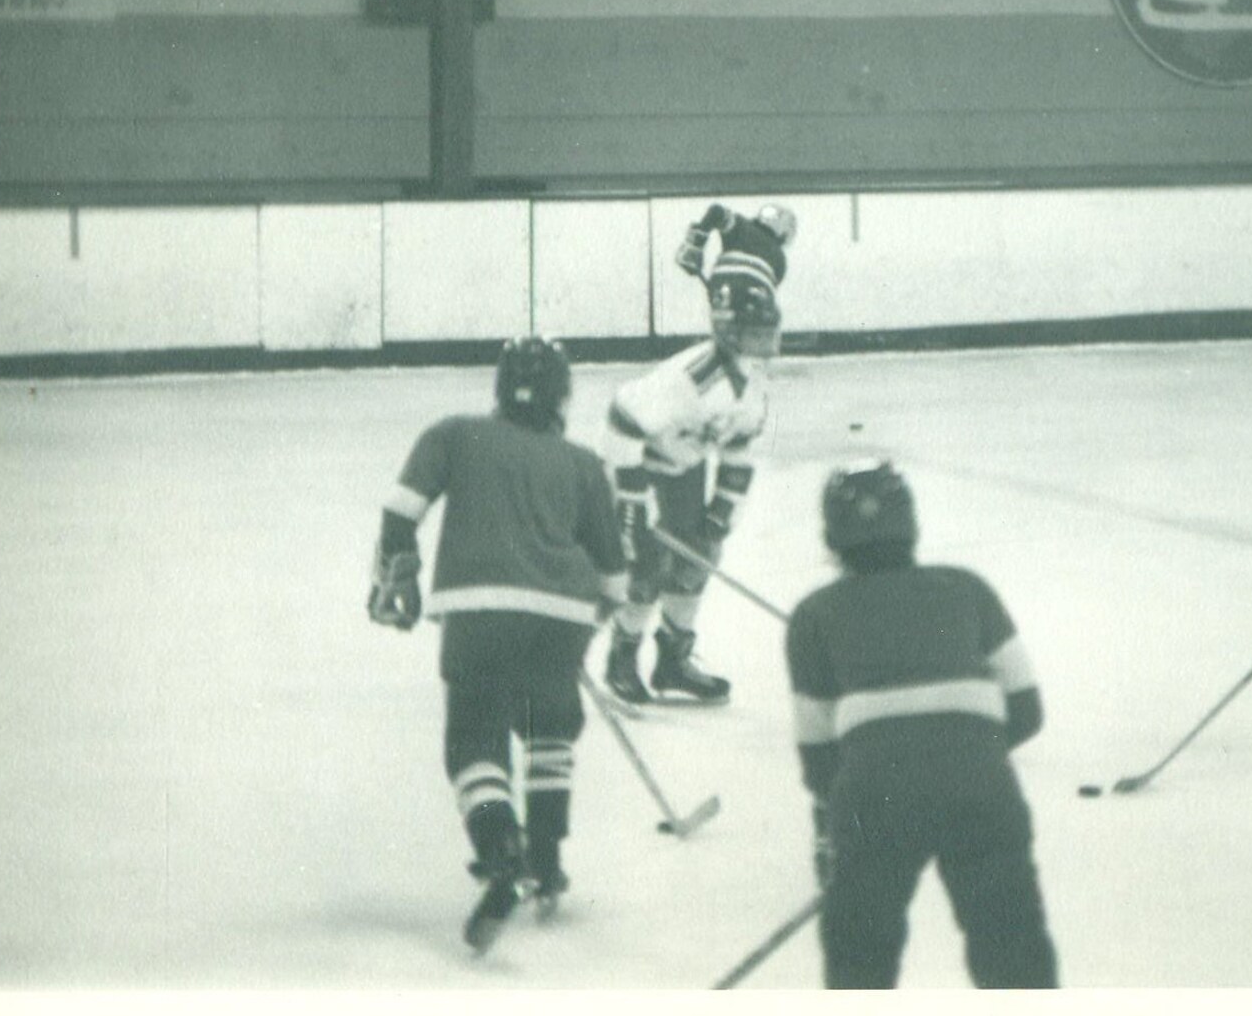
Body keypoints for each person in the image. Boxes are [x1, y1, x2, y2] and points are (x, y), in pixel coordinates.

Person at [367, 337, 628, 951]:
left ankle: (499, 846)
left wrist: (396, 576)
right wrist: (591, 613)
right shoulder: (585, 464)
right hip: (563, 615)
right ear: (563, 395)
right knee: (550, 729)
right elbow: (615, 578)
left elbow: (400, 513)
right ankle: (547, 857)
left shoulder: (454, 434)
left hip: (479, 608)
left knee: (475, 738)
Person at [784, 459, 1059, 989]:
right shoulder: (967, 587)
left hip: (874, 794)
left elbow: (819, 757)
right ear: (911, 524)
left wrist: (853, 817)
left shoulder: (813, 614)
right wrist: (963, 750)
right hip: (980, 782)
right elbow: (1025, 709)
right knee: (1013, 951)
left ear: (831, 537)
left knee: (859, 956)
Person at [599, 202, 796, 705]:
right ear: (730, 331)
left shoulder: (753, 387)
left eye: (768, 334)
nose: (765, 344)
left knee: (696, 559)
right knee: (644, 565)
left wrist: (721, 514)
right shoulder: (695, 377)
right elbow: (624, 418)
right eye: (756, 334)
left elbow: (737, 449)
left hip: (684, 468)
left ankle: (673, 660)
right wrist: (632, 500)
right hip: (640, 468)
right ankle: (622, 657)